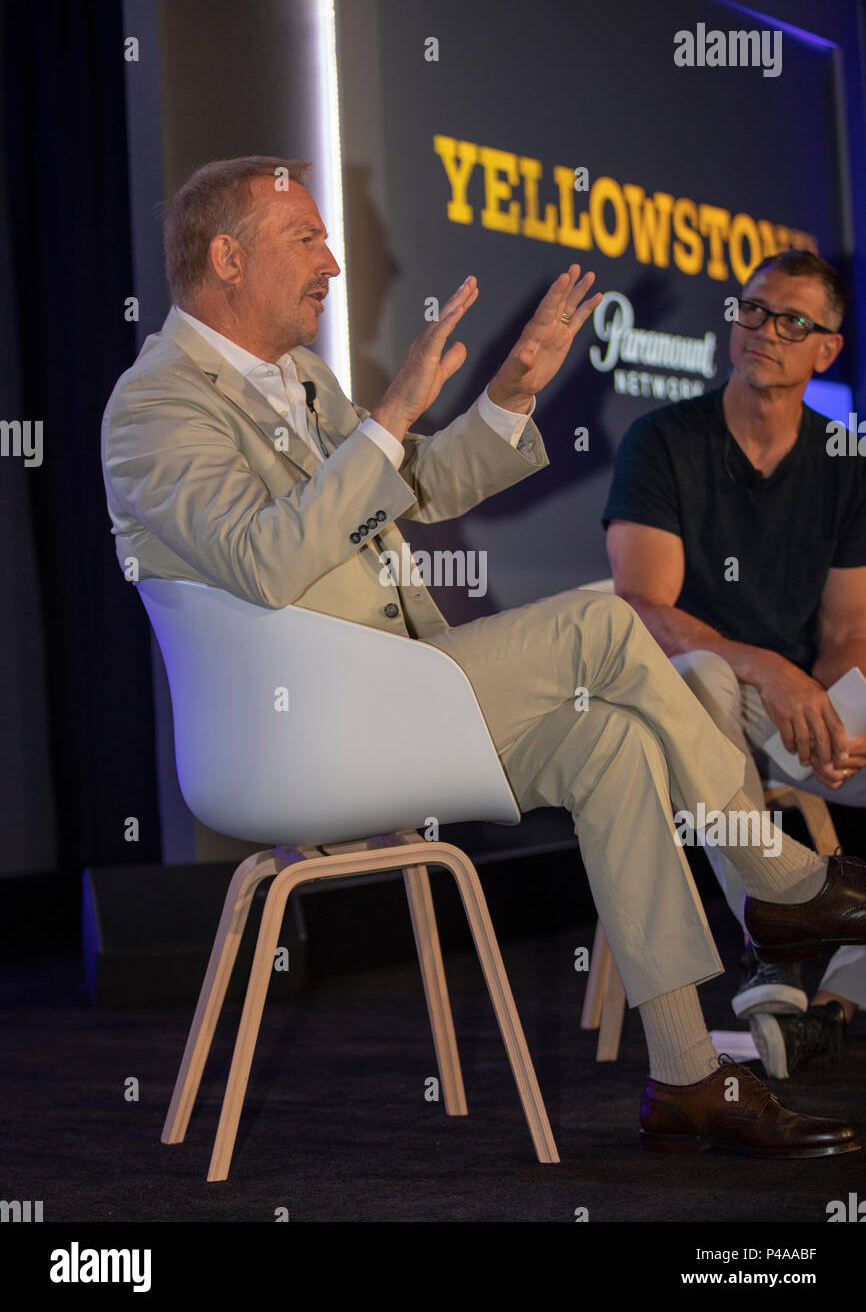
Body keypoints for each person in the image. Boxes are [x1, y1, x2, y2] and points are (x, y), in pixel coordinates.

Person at [102, 158, 866, 1156]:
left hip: (399, 701)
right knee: (601, 621)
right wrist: (383, 418)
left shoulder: (299, 378)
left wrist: (505, 393)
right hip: (303, 732)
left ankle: (685, 1076)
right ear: (227, 256)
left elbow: (411, 487)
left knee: (608, 741)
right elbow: (264, 560)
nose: (333, 260)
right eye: (307, 240)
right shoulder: (155, 406)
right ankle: (773, 873)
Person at [603, 250, 866, 1079]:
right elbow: (644, 609)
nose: (765, 331)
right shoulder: (663, 441)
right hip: (701, 702)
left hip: (793, 704)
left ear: (827, 349)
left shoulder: (846, 458)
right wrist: (767, 669)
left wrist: (832, 707)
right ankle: (771, 939)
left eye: (794, 321)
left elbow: (849, 624)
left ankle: (834, 1003)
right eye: (752, 310)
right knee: (706, 678)